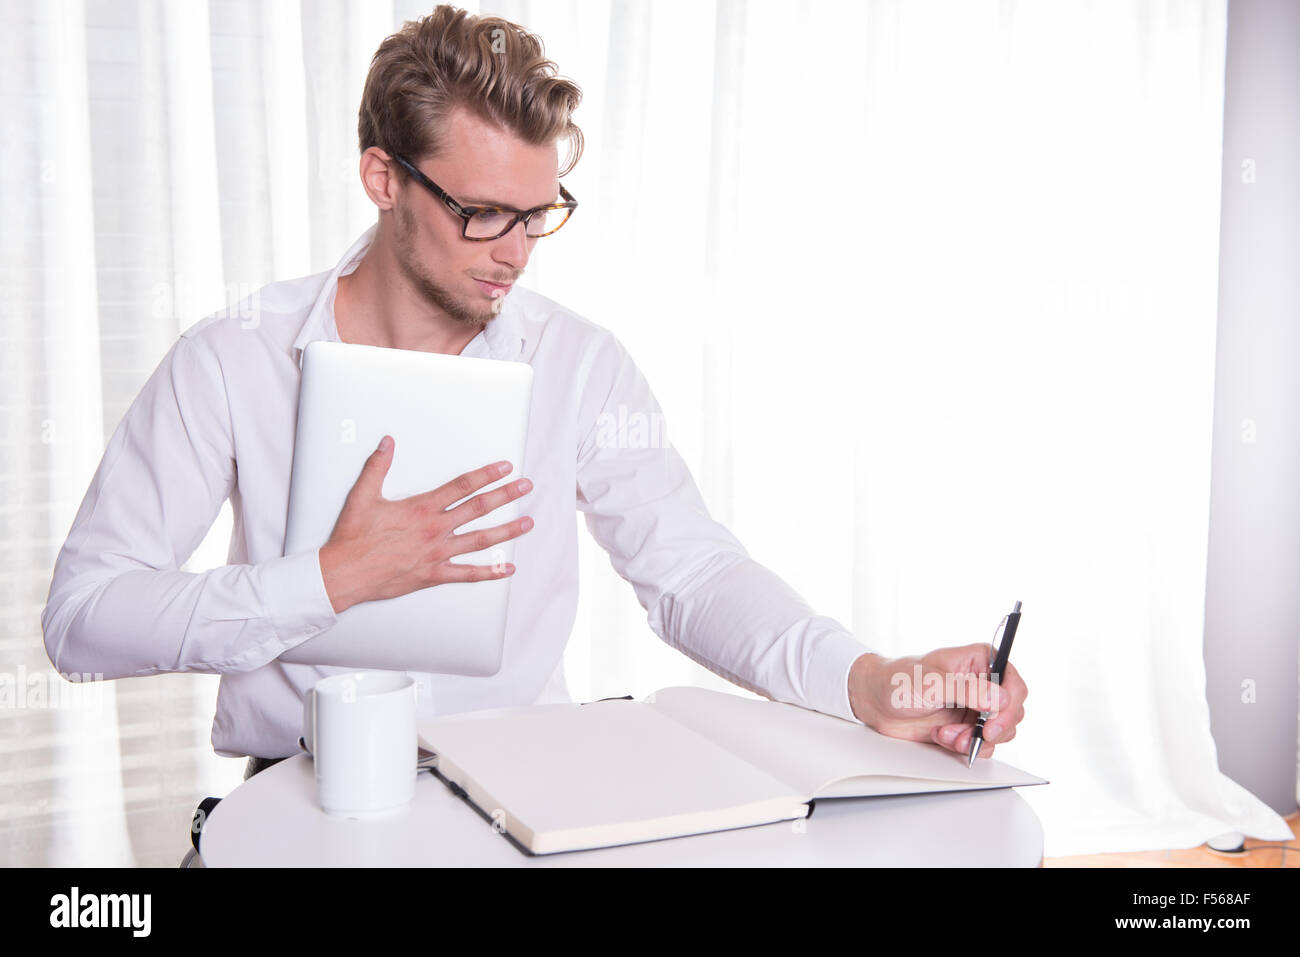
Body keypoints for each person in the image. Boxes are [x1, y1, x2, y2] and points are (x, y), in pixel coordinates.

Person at [41, 6, 1025, 780]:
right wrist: (331, 580)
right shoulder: (232, 358)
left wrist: (869, 682)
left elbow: (691, 573)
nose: (514, 252)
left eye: (537, 214)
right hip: (297, 797)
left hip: (525, 796)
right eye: (479, 213)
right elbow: (83, 618)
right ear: (383, 178)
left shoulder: (580, 366)